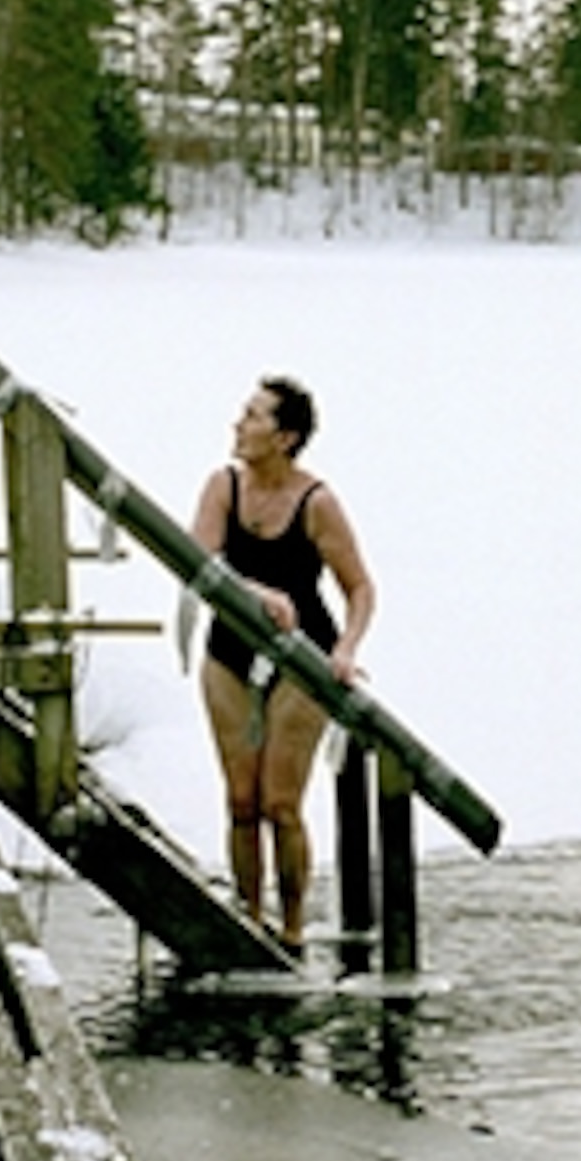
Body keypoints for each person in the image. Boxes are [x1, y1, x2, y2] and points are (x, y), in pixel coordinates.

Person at [190, 374, 377, 950]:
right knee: (241, 801)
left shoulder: (316, 501)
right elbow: (197, 563)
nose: (238, 425)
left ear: (285, 437)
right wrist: (255, 593)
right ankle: (250, 919)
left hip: (302, 655)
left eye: (253, 416)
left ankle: (292, 929)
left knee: (280, 803)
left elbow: (360, 588)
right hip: (231, 647)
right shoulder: (223, 486)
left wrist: (346, 650)